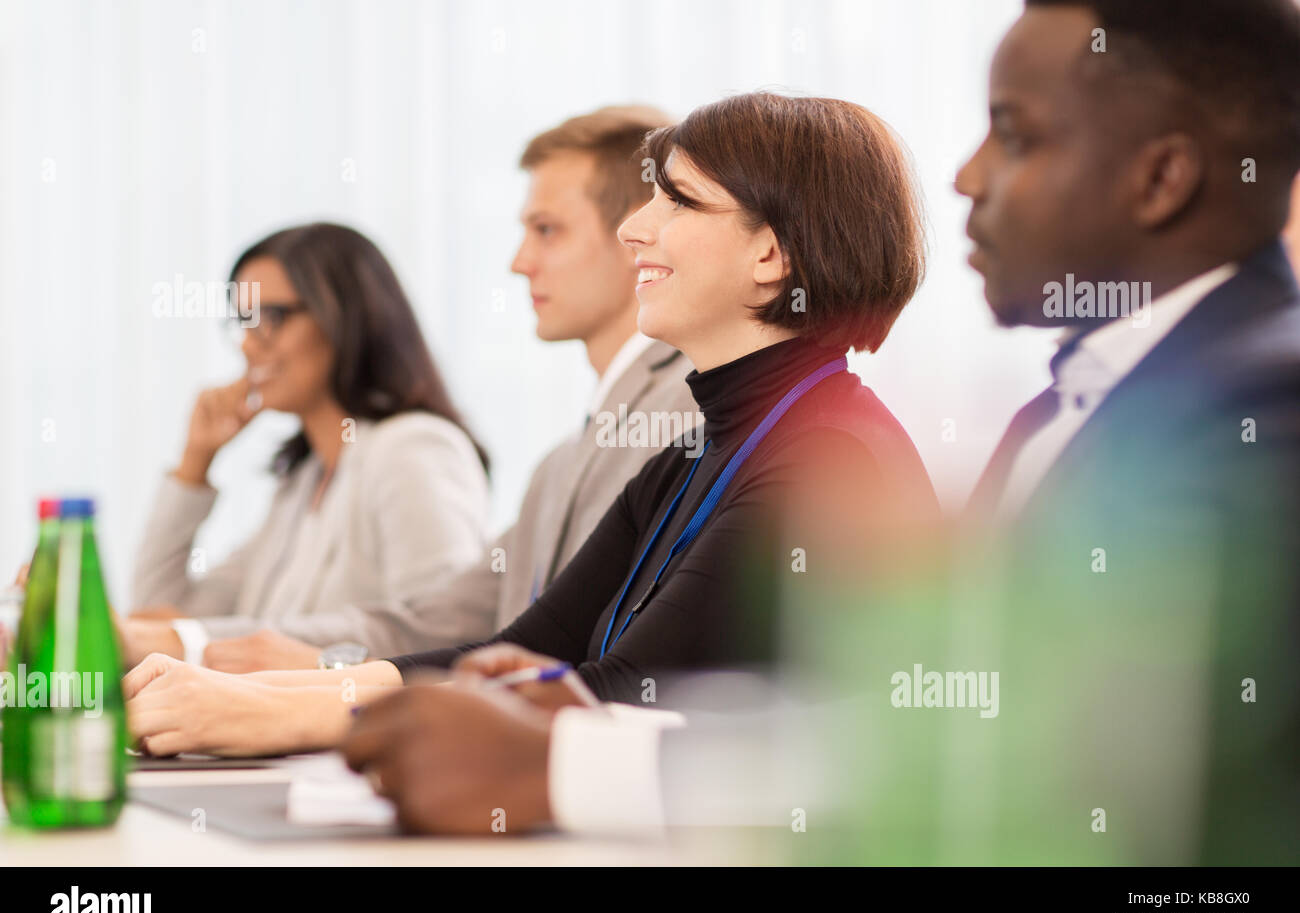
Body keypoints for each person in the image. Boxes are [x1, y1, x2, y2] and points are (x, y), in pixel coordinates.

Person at [354, 0, 1300, 852]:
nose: (966, 176)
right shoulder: (1061, 410)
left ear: (1163, 175)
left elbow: (1072, 769)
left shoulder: (1265, 405)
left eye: (1012, 135)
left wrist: (562, 763)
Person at [125, 91, 939, 755]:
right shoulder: (698, 448)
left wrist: (279, 717)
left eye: (678, 200)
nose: (635, 229)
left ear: (771, 257)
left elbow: (617, 693)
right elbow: (536, 646)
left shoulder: (826, 452)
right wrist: (244, 693)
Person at [121, 223, 490, 667]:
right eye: (243, 321)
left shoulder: (412, 449)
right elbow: (163, 615)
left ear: (347, 316)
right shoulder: (303, 483)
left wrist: (182, 639)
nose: (249, 345)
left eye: (271, 317)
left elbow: (444, 631)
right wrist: (193, 464)